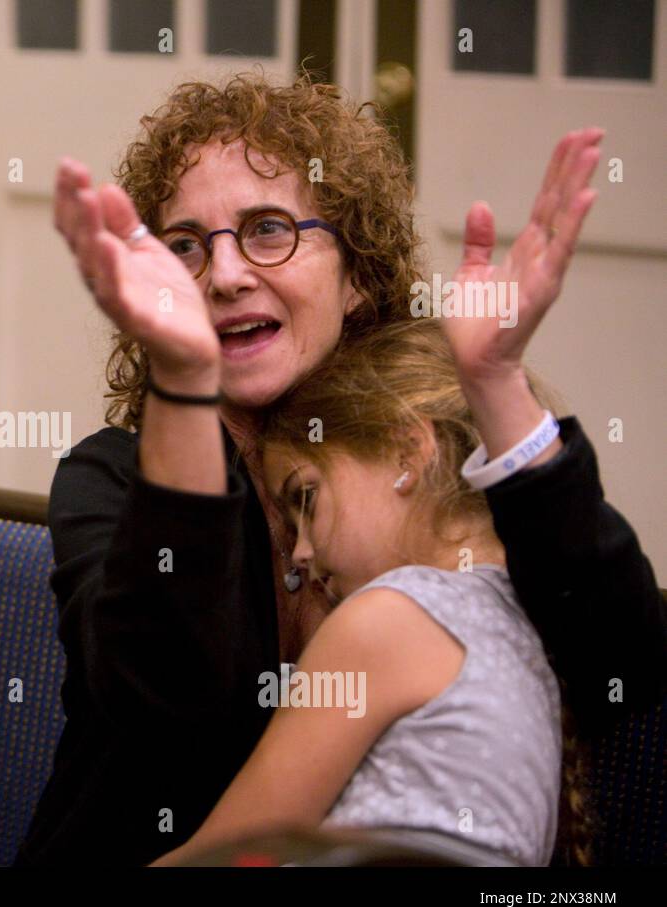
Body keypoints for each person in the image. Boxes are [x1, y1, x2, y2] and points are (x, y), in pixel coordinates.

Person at [16, 72, 665, 866]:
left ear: (356, 275)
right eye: (186, 245)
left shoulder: (418, 462)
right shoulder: (114, 478)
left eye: (268, 230)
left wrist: (495, 385)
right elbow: (163, 712)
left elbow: (618, 662)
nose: (223, 276)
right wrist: (181, 383)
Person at [153, 318, 579, 867]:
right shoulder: (522, 618)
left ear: (407, 453)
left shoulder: (392, 618)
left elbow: (221, 859)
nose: (301, 553)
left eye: (306, 498)